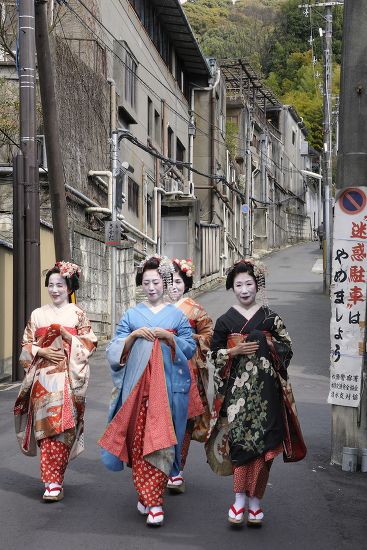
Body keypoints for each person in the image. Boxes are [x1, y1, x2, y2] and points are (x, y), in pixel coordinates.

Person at [98, 256, 196, 527]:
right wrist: (132, 337)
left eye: (155, 282)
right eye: (145, 282)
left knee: (163, 441)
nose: (151, 287)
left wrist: (169, 337)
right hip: (138, 391)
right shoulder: (131, 315)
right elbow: (114, 348)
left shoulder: (177, 315)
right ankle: (151, 499)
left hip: (168, 390)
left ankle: (152, 500)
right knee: (141, 444)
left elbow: (190, 347)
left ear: (164, 284)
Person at [206, 259, 297, 527]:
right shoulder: (225, 320)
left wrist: (263, 341)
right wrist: (232, 351)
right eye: (238, 285)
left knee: (266, 446)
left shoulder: (270, 317)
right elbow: (213, 354)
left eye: (249, 284)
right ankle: (239, 500)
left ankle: (256, 501)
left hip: (267, 393)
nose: (244, 290)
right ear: (231, 287)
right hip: (236, 395)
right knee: (241, 445)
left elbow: (287, 348)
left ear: (257, 285)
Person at [14, 261, 97, 502]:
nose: (55, 289)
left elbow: (89, 343)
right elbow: (26, 345)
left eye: (60, 285)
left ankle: (55, 480)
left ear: (69, 286)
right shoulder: (38, 314)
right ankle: (52, 481)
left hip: (69, 377)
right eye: (51, 285)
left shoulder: (77, 313)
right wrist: (41, 352)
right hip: (42, 379)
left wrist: (66, 336)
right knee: (46, 430)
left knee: (64, 428)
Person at [166, 258, 213, 493]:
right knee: (160, 417)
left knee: (182, 422)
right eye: (170, 281)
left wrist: (193, 339)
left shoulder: (194, 309)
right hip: (161, 368)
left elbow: (209, 334)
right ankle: (161, 467)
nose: (174, 286)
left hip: (187, 369)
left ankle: (177, 470)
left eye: (178, 281)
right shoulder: (156, 308)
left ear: (185, 283)